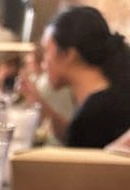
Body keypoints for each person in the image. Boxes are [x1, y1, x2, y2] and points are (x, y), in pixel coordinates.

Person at [18, 5, 130, 148]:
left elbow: (81, 159)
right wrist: (39, 103)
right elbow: (74, 134)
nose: (44, 63)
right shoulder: (103, 101)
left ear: (70, 54)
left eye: (47, 51)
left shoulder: (96, 113)